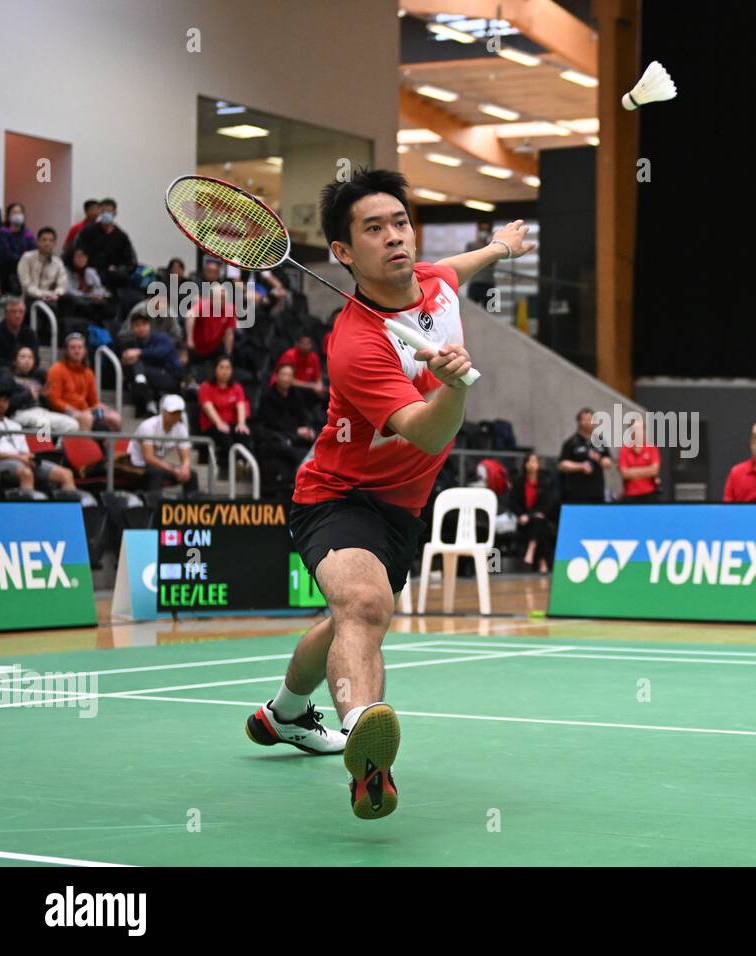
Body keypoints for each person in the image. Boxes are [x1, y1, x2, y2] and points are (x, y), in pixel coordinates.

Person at [244, 167, 531, 821]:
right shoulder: (358, 345)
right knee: (367, 605)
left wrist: (500, 247)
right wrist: (453, 389)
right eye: (374, 229)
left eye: (400, 222)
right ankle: (369, 759)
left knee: (349, 619)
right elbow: (427, 438)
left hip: (401, 507)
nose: (394, 237)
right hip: (339, 493)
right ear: (344, 253)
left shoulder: (431, 282)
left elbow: (450, 271)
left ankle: (284, 715)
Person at [0, 379, 77, 497]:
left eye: (5, 401)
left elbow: (24, 450)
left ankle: (67, 514)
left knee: (66, 474)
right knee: (26, 473)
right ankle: (28, 513)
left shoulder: (15, 425)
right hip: (0, 462)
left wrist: (30, 458)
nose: (2, 404)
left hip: (22, 460)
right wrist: (19, 458)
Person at [44, 332, 122, 431]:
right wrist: (75, 411)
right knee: (86, 418)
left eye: (80, 347)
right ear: (66, 351)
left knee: (115, 418)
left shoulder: (88, 372)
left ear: (85, 350)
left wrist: (104, 409)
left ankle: (111, 447)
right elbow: (54, 400)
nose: (77, 351)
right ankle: (83, 446)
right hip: (64, 411)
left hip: (85, 410)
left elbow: (94, 402)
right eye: (73, 348)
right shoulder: (56, 369)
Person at [255, 362, 315, 484]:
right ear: (277, 376)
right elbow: (273, 422)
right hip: (275, 434)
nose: (286, 378)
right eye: (283, 375)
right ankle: (302, 468)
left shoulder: (296, 394)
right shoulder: (267, 396)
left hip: (295, 435)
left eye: (289, 375)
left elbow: (303, 416)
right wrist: (296, 430)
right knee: (279, 443)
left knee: (318, 438)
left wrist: (308, 429)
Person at [127, 394, 197, 496]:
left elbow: (185, 456)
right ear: (163, 412)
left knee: (191, 474)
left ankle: (191, 508)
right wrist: (173, 469)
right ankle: (155, 508)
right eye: (172, 413)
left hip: (158, 466)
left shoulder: (181, 428)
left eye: (178, 413)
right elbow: (148, 458)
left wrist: (185, 468)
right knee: (156, 473)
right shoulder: (148, 426)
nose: (175, 416)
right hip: (137, 464)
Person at [3, 346, 78, 434]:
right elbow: (7, 404)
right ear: (15, 361)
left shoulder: (38, 378)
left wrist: (44, 396)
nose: (27, 360)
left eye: (30, 357)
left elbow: (46, 404)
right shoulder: (8, 377)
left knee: (72, 424)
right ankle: (43, 445)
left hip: (39, 411)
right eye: (22, 356)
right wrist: (29, 395)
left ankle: (59, 447)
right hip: (19, 413)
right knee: (44, 425)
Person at [118, 313, 183, 415]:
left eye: (144, 324)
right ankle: (148, 402)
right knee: (134, 367)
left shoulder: (162, 338)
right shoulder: (135, 342)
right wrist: (126, 360)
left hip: (170, 376)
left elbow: (160, 353)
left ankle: (141, 385)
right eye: (137, 325)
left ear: (149, 325)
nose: (141, 328)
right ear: (132, 328)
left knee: (137, 366)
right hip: (150, 380)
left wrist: (139, 352)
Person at [73, 198, 136, 294]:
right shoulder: (88, 231)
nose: (106, 214)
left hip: (113, 277)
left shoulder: (121, 236)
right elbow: (77, 251)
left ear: (115, 213)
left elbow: (130, 261)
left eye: (109, 211)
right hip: (90, 275)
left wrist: (119, 269)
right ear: (99, 212)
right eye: (103, 211)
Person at [197, 354, 249, 470]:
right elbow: (208, 407)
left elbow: (240, 405)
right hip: (211, 425)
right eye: (221, 367)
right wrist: (218, 422)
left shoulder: (237, 387)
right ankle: (234, 464)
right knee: (224, 435)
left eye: (228, 368)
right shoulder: (206, 387)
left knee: (243, 433)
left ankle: (244, 463)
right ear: (215, 369)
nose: (225, 371)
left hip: (231, 424)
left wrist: (241, 423)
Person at [508, 452, 557, 572]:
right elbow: (513, 503)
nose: (532, 464)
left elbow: (547, 504)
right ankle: (543, 561)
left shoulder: (545, 482)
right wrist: (521, 515)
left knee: (539, 522)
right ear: (525, 464)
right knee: (539, 527)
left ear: (538, 465)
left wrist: (530, 515)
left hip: (541, 519)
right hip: (524, 522)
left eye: (534, 461)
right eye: (529, 461)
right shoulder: (519, 482)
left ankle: (532, 548)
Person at [557, 408, 614, 504]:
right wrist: (580, 466)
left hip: (597, 491)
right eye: (585, 419)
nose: (588, 422)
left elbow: (608, 463)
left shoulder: (600, 441)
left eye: (591, 419)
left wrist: (599, 459)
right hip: (576, 492)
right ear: (579, 422)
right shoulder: (571, 443)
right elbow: (562, 464)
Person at [17, 227, 67, 307]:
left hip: (52, 298)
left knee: (69, 301)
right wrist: (44, 294)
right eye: (44, 240)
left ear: (55, 243)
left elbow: (62, 285)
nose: (47, 243)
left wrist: (56, 294)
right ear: (38, 241)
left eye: (51, 241)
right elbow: (26, 285)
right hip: (30, 298)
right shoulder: (27, 258)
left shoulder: (58, 262)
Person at [62, 246, 111, 327]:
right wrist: (90, 296)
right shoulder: (65, 272)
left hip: (92, 302)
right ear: (72, 258)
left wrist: (99, 295)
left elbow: (99, 287)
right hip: (76, 302)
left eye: (84, 256)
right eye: (78, 256)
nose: (82, 259)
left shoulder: (90, 271)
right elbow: (68, 290)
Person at [0, 203, 35, 295]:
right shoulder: (2, 233)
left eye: (20, 212)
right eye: (14, 212)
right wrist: (23, 257)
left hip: (25, 275)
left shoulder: (28, 234)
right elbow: (5, 254)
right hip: (6, 275)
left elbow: (33, 252)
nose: (17, 215)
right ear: (8, 215)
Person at [617, 417, 661, 502]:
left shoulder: (652, 448)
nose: (638, 432)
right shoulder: (624, 450)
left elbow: (654, 470)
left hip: (650, 494)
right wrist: (646, 470)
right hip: (631, 495)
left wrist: (632, 471)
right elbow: (624, 473)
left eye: (640, 429)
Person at [0, 296, 38, 371]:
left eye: (21, 312)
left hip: (26, 369)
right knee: (5, 373)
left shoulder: (30, 333)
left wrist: (28, 364)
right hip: (2, 370)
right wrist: (15, 365)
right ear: (6, 314)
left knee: (43, 373)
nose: (17, 315)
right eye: (14, 312)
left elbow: (36, 358)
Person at [462, 222, 496, 307]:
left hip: (489, 282)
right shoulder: (471, 245)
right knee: (472, 310)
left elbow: (493, 263)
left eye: (486, 230)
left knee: (490, 311)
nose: (484, 232)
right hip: (475, 282)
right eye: (482, 230)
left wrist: (492, 242)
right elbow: (465, 260)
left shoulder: (492, 246)